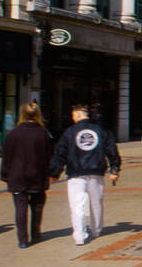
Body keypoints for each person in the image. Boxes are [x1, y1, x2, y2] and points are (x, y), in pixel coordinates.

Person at [49, 104, 121, 246]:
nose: (72, 117)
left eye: (73, 115)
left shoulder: (69, 132)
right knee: (96, 202)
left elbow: (60, 153)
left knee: (78, 204)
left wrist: (55, 172)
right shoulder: (101, 130)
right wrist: (115, 169)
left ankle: (79, 236)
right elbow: (112, 149)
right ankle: (97, 229)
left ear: (77, 114)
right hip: (96, 171)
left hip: (76, 173)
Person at [0, 102, 53, 248]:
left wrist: (5, 175)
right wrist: (51, 173)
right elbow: (49, 157)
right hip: (37, 175)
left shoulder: (13, 134)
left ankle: (23, 239)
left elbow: (6, 157)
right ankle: (35, 233)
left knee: (20, 207)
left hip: (17, 175)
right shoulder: (43, 134)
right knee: (37, 205)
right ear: (38, 115)